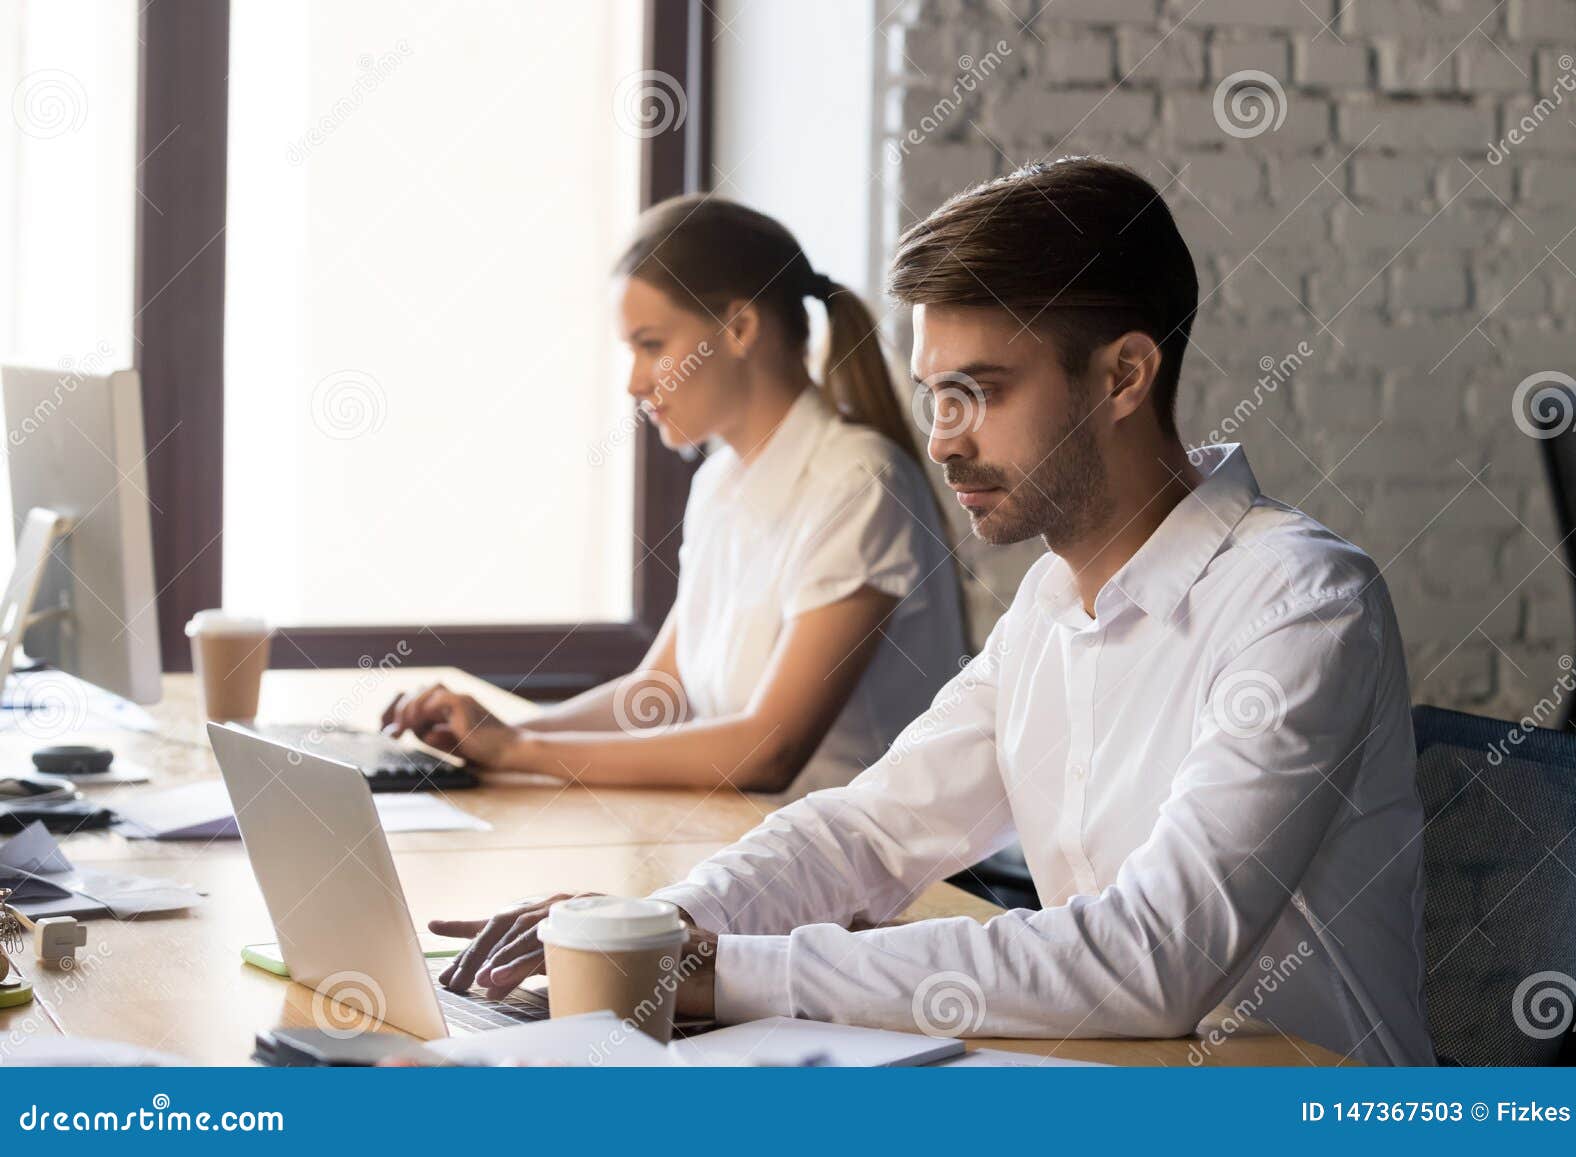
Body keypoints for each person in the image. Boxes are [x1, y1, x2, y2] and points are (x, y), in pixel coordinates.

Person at [429, 157, 1433, 1066]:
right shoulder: (1049, 602)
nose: (943, 440)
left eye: (979, 392)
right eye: (933, 394)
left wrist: (722, 969)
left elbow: (1150, 958)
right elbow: (866, 831)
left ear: (1124, 374)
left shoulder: (1301, 604)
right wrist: (654, 927)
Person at [384, 195, 965, 802]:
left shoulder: (857, 482)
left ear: (738, 329)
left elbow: (769, 751)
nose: (634, 381)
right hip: (756, 852)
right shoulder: (719, 482)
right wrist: (497, 736)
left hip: (872, 883)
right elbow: (661, 692)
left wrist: (521, 753)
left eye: (651, 344)